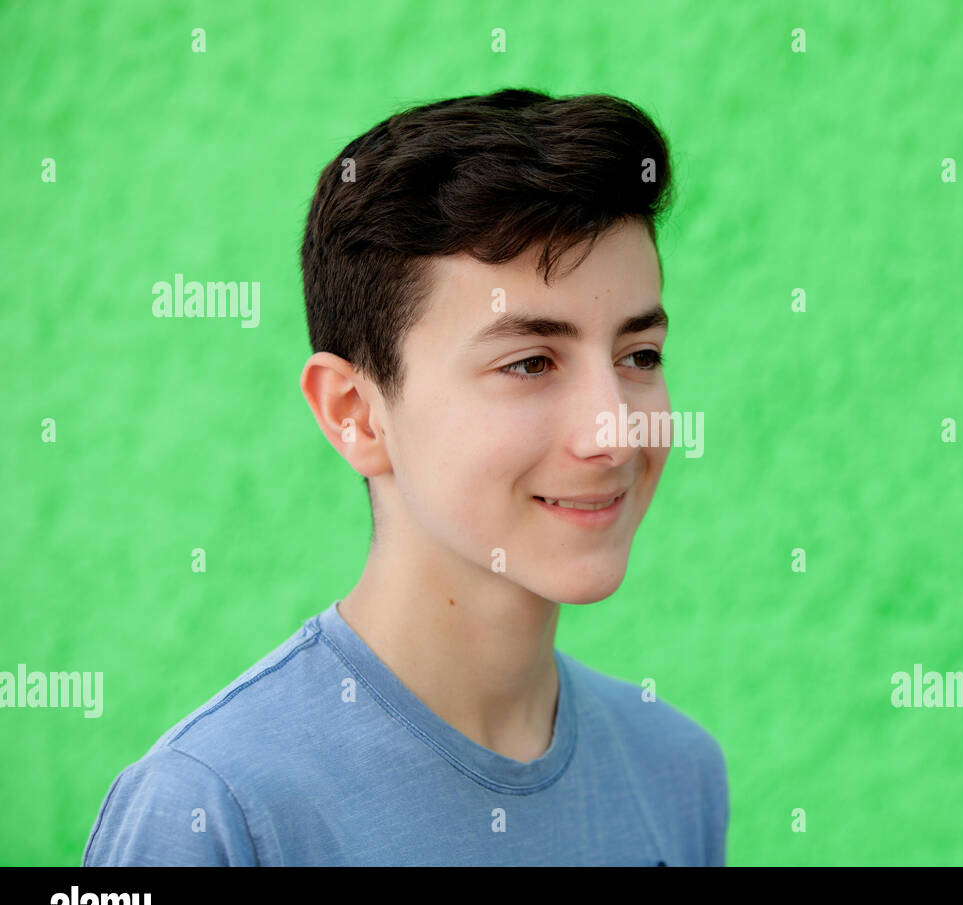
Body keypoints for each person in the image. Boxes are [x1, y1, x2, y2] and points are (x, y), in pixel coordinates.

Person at [82, 88, 728, 866]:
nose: (615, 432)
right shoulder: (214, 810)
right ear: (354, 412)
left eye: (639, 357)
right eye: (529, 362)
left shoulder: (676, 772)